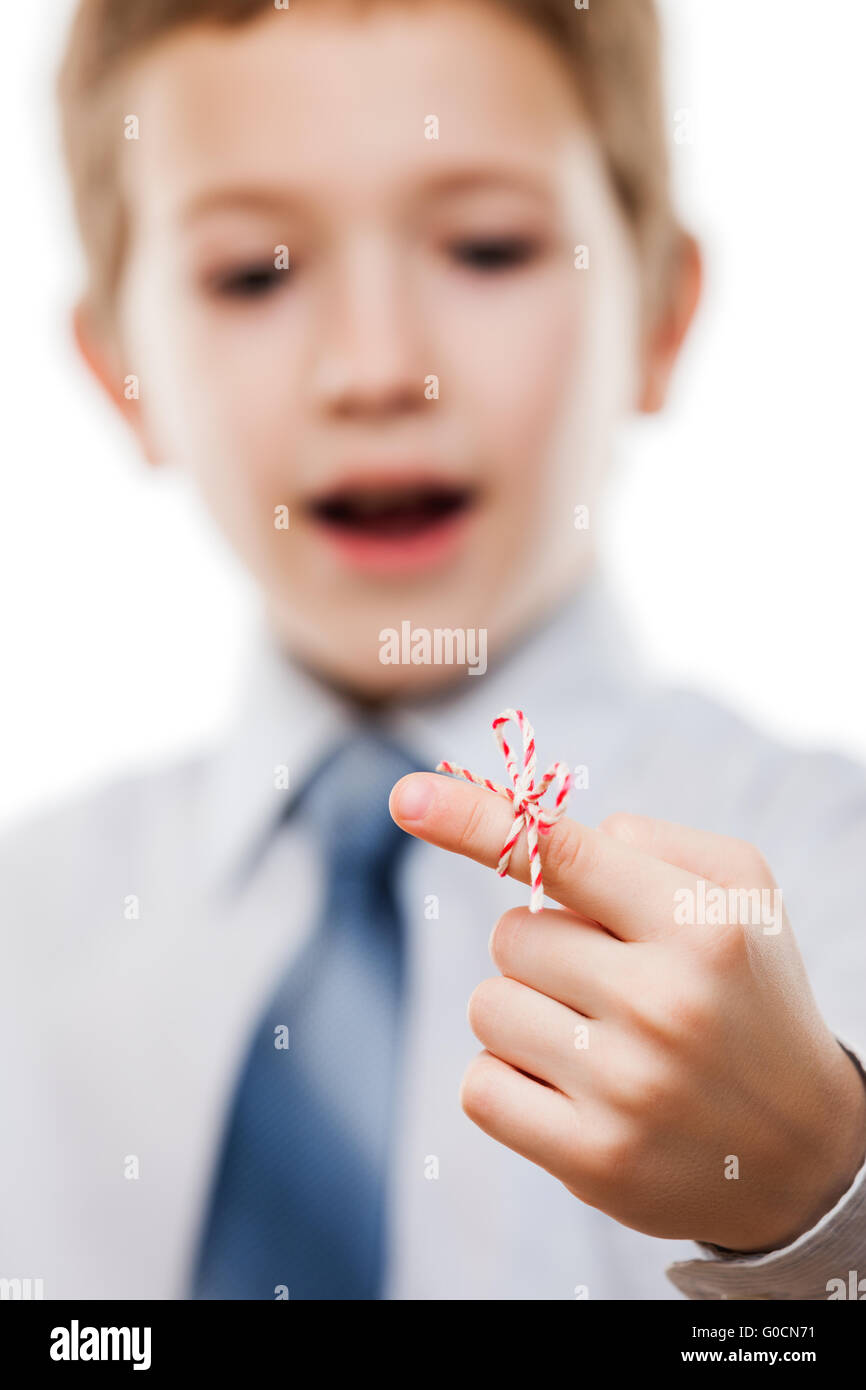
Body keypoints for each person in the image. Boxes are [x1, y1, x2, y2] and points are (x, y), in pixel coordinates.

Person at [1, 0, 864, 1300]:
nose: (376, 366)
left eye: (487, 246)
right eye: (254, 273)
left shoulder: (827, 870)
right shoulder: (31, 933)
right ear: (120, 372)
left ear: (661, 315)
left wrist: (819, 1202)